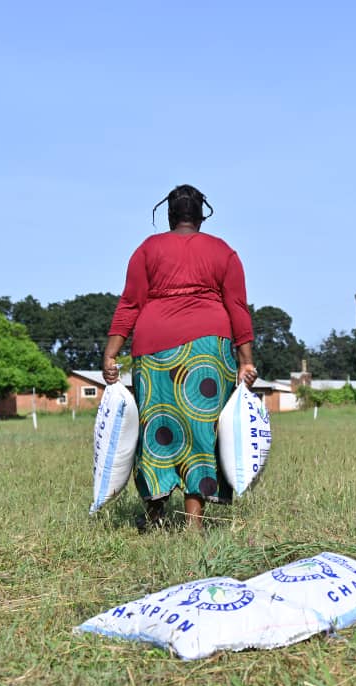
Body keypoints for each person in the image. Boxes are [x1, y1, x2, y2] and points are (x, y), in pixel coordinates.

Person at [102, 184, 258, 531]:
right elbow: (237, 307)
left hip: (153, 345)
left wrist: (110, 354)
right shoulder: (223, 252)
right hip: (209, 346)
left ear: (170, 216)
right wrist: (246, 360)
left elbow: (130, 304)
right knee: (202, 428)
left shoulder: (147, 249)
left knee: (155, 427)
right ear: (201, 216)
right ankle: (194, 523)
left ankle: (155, 519)